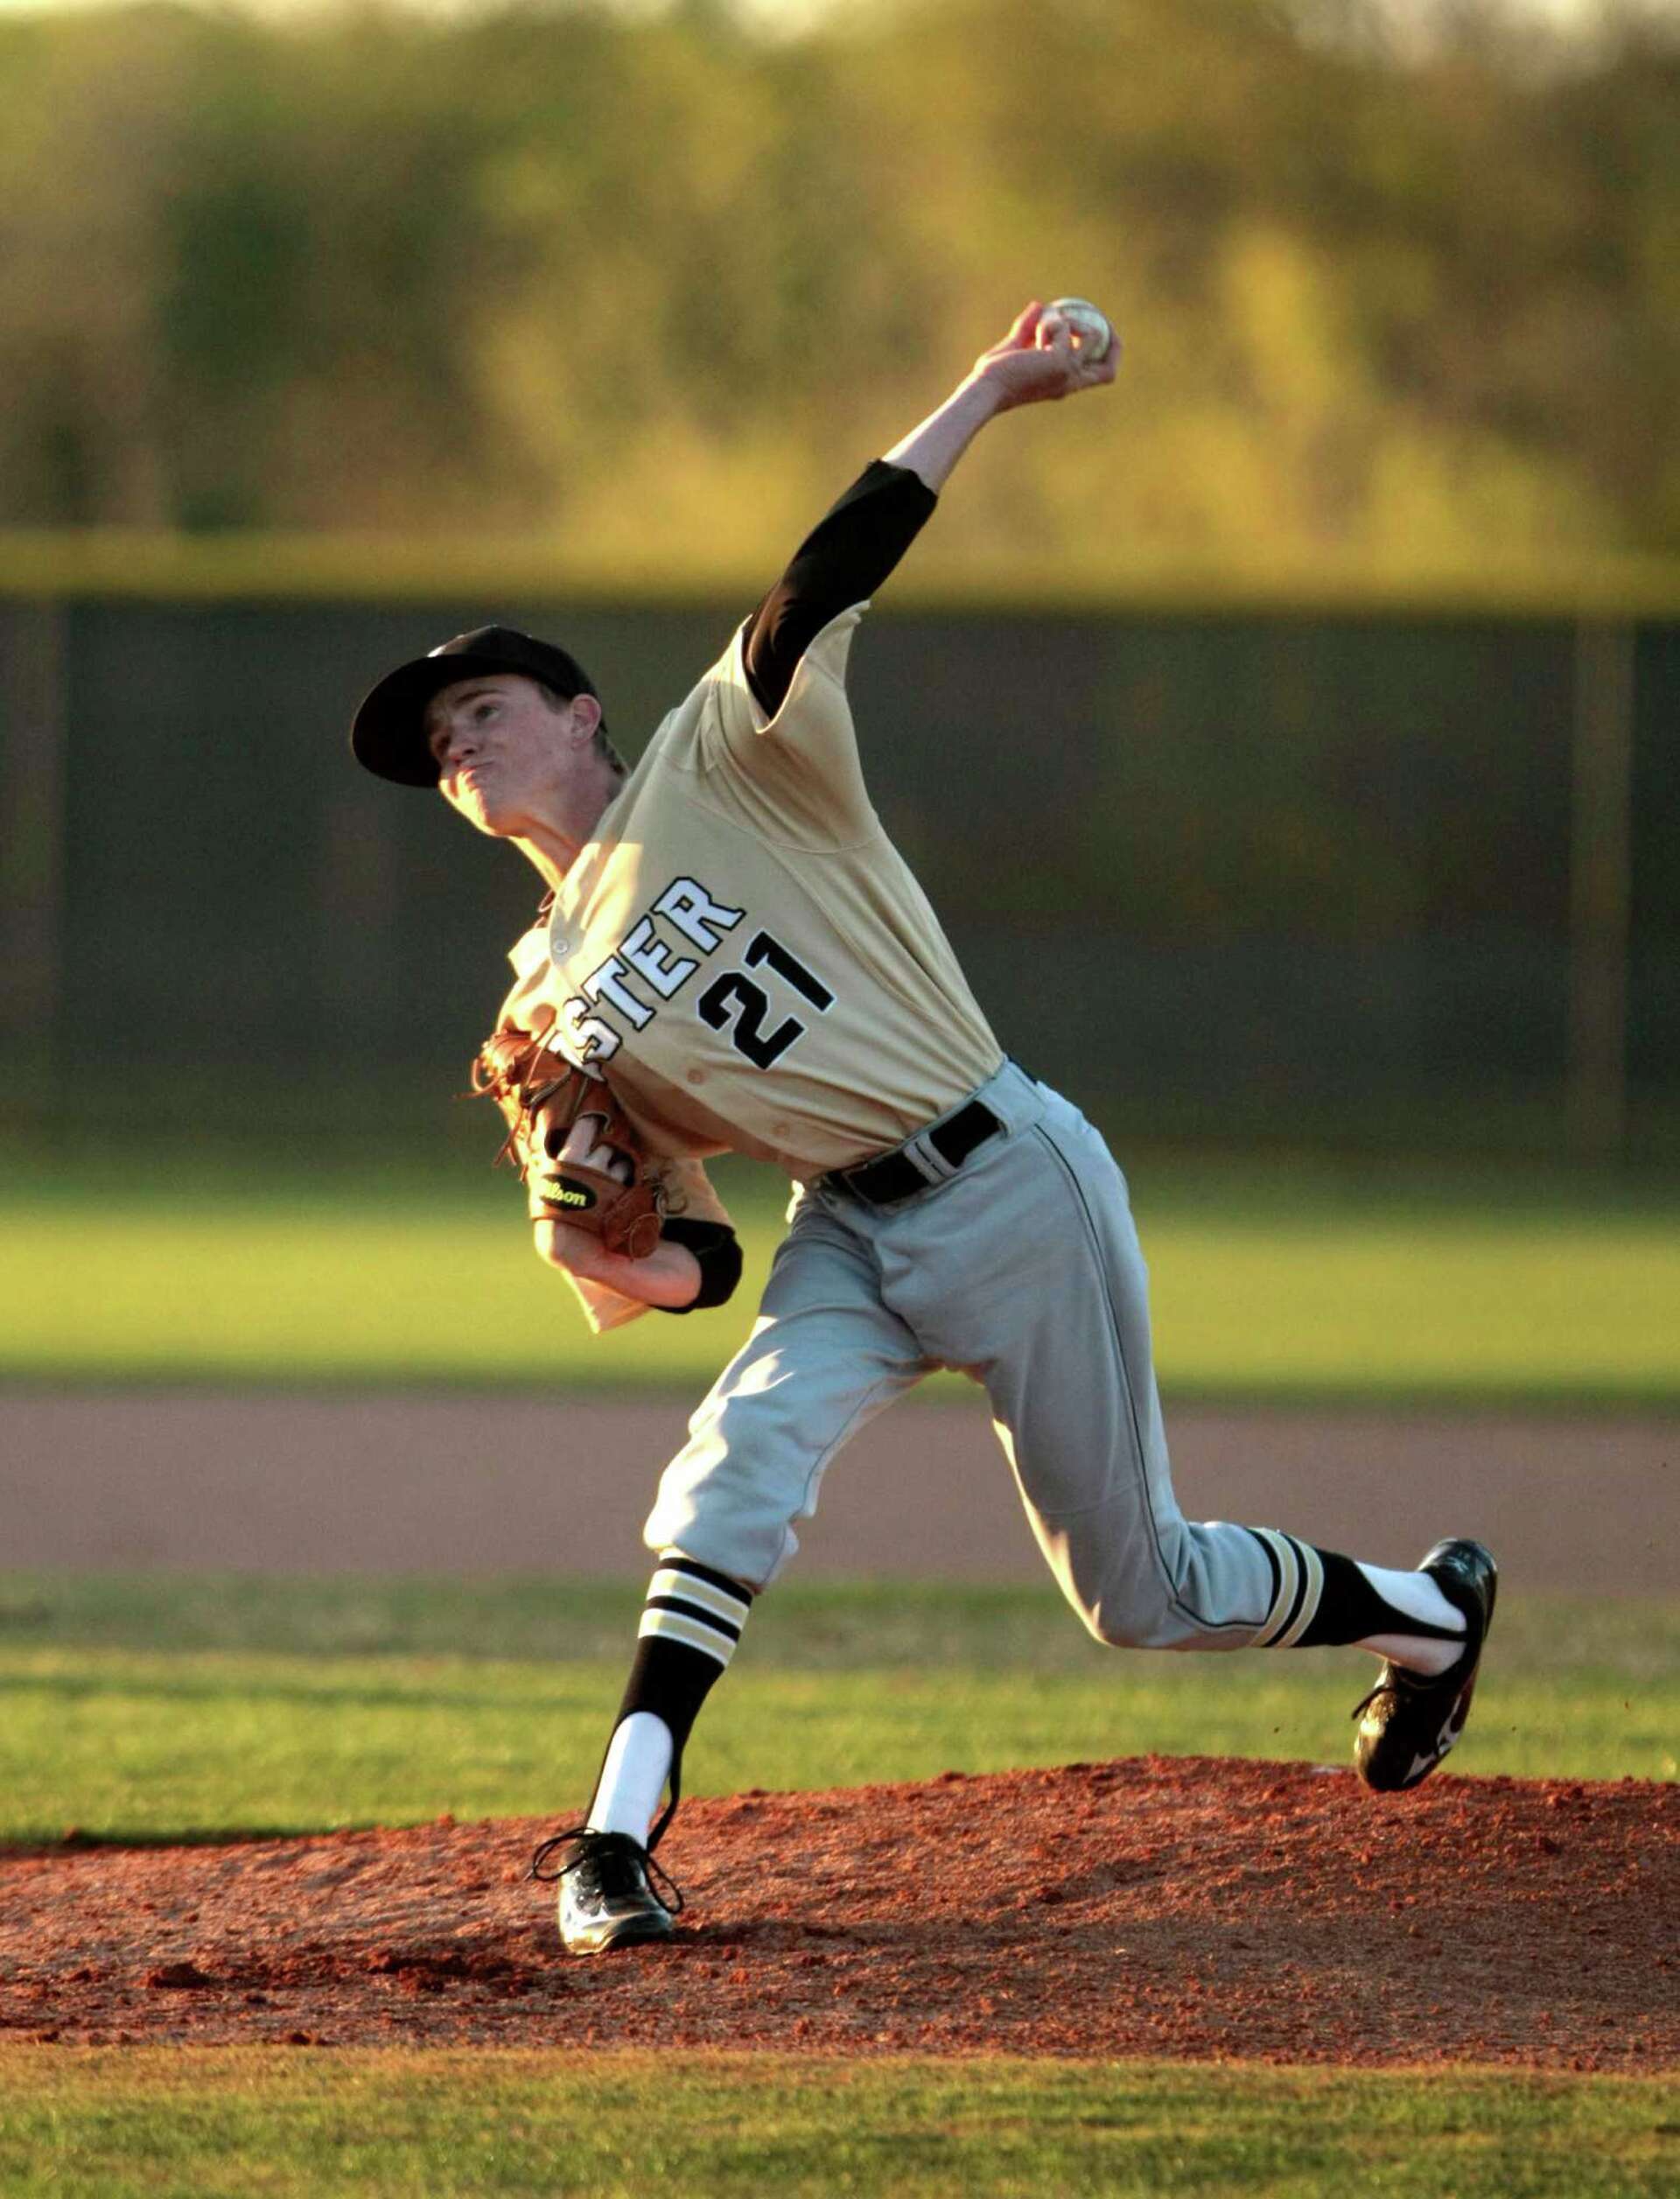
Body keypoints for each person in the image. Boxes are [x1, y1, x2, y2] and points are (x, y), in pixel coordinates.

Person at [350, 301, 1496, 1957]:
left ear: (583, 710)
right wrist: (595, 1237)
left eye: (486, 707)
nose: (459, 743)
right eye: (439, 746)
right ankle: (609, 1842)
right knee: (729, 1470)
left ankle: (1425, 1616)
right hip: (848, 1232)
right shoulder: (544, 1012)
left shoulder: (717, 755)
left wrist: (992, 392)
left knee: (1142, 1596)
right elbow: (708, 1260)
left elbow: (824, 577)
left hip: (1010, 1178)